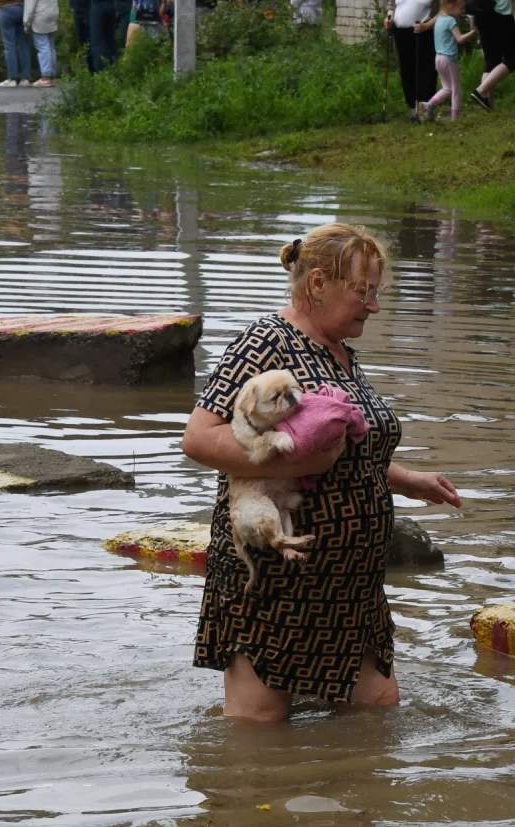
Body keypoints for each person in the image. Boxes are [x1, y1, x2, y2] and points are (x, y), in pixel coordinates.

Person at [181, 223, 463, 724]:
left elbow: (350, 451)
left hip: (350, 589)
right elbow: (200, 438)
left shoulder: (341, 356)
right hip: (278, 584)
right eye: (363, 291)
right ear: (316, 284)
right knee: (257, 734)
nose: (373, 306)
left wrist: (406, 478)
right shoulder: (265, 341)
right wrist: (292, 460)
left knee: (376, 713)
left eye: (376, 292)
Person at [413, 0, 475, 122]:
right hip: (450, 59)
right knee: (456, 89)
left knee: (447, 88)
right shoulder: (451, 21)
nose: (462, 11)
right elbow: (460, 39)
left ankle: (428, 105)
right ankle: (455, 117)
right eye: (461, 8)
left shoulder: (440, 19)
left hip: (439, 58)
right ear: (452, 6)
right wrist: (472, 32)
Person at [385, 0, 437, 120]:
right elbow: (391, 6)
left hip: (422, 31)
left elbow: (444, 11)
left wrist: (428, 25)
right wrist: (389, 18)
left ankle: (425, 109)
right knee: (407, 71)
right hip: (401, 32)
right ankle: (414, 111)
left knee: (425, 70)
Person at [467, 0, 515, 113]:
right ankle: (480, 91)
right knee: (513, 58)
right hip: (500, 12)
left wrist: (471, 15)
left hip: (479, 12)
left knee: (491, 59)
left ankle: (488, 103)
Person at [0, 0, 32, 86]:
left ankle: (12, 78)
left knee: (9, 45)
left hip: (7, 8)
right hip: (21, 9)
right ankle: (25, 78)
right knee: (24, 45)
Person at [25, 0, 59, 86]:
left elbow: (29, 7)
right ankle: (52, 77)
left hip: (40, 16)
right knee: (51, 47)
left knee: (43, 47)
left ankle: (45, 77)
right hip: (52, 15)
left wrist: (27, 23)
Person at [89, 0, 120, 70]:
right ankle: (114, 69)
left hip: (97, 5)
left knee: (97, 42)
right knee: (110, 40)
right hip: (111, 5)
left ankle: (101, 74)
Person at [71, 0, 95, 71]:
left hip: (90, 7)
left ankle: (95, 69)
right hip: (78, 8)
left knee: (91, 39)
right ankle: (91, 69)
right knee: (83, 41)